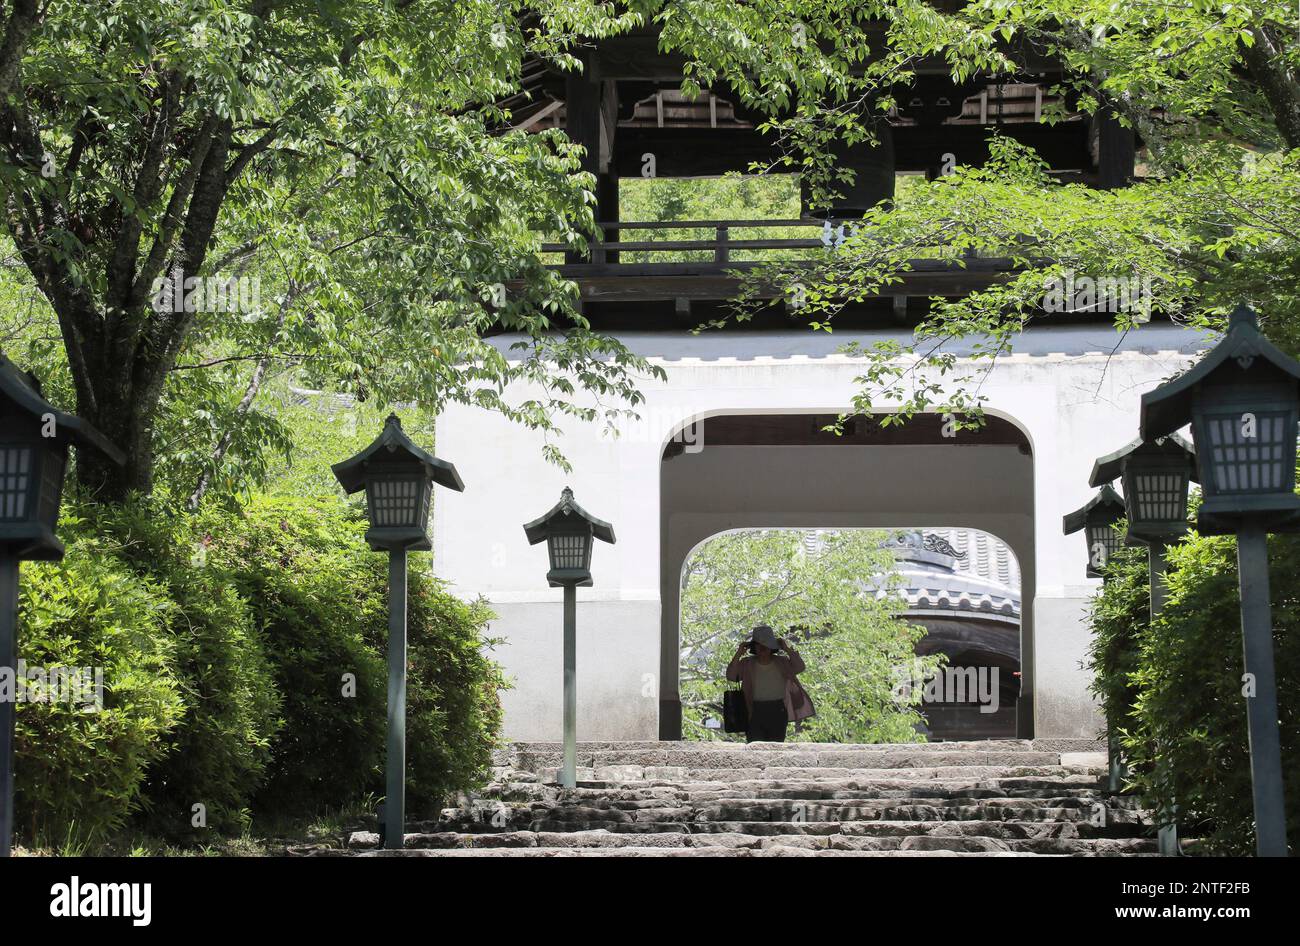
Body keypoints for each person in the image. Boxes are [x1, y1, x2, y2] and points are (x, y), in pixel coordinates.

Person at [725, 624, 815, 743]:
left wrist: (787, 649)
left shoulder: (781, 662)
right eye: (759, 646)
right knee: (755, 746)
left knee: (776, 747)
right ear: (754, 648)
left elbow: (800, 667)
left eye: (766, 645)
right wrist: (739, 653)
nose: (762, 649)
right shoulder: (747, 663)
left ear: (771, 647)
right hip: (753, 710)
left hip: (777, 710)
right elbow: (731, 676)